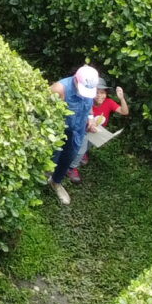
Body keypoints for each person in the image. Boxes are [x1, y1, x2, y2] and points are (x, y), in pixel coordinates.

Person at [49, 64, 100, 203]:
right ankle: (41, 178)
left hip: (78, 132)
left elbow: (88, 106)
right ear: (76, 79)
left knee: (67, 159)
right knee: (52, 158)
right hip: (59, 132)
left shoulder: (90, 89)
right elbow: (45, 111)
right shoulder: (60, 89)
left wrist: (90, 119)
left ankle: (56, 182)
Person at [72, 78, 130, 181]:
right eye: (97, 92)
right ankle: (72, 167)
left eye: (102, 92)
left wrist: (121, 98)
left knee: (88, 145)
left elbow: (124, 112)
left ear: (106, 93)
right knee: (80, 149)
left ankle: (83, 154)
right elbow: (80, 117)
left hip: (96, 131)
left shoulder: (109, 102)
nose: (99, 95)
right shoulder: (87, 102)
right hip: (83, 130)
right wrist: (88, 125)